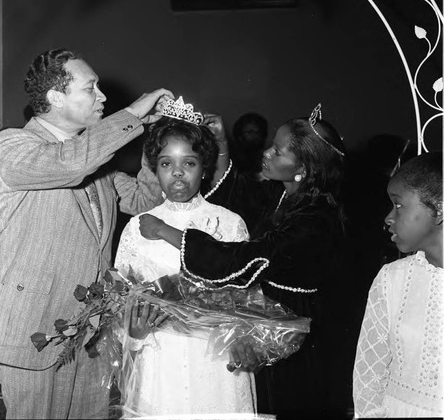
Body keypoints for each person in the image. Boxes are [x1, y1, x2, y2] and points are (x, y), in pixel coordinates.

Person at [0, 48, 174, 419]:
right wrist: (131, 115)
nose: (102, 97)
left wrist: (152, 143)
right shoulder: (11, 146)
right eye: (91, 88)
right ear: (55, 98)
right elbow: (69, 165)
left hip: (89, 336)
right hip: (33, 331)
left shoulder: (95, 162)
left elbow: (144, 199)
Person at [139, 103, 347, 418]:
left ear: (303, 167)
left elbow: (245, 259)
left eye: (277, 152)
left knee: (286, 401)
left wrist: (168, 232)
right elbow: (245, 196)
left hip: (292, 326)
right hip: (269, 315)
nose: (266, 153)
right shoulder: (287, 193)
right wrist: (222, 144)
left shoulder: (315, 217)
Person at [114, 114, 257, 417]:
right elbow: (121, 302)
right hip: (159, 358)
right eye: (166, 164)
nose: (177, 173)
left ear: (204, 167)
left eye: (188, 163)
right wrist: (133, 333)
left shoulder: (230, 224)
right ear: (155, 168)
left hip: (215, 360)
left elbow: (246, 299)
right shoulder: (136, 228)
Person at [353, 151, 443, 418]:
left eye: (399, 205)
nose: (389, 217)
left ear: (439, 208)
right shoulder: (391, 279)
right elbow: (369, 374)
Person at [231, 112, 268, 180]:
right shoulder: (232, 161)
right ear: (240, 136)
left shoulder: (267, 157)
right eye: (250, 132)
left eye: (257, 132)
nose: (255, 136)